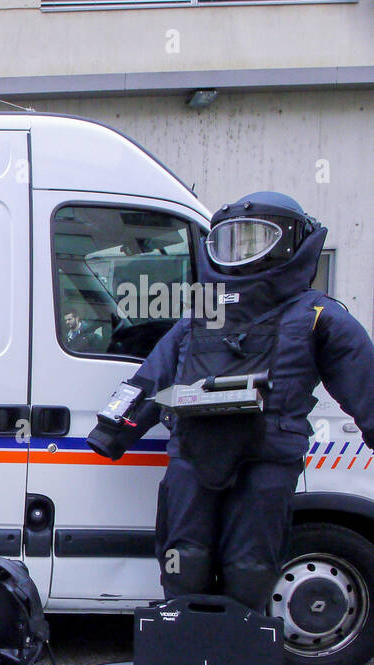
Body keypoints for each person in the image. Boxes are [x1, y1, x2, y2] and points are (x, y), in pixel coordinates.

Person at [86, 192, 374, 613]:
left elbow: (362, 380)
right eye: (231, 242)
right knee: (185, 565)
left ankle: (237, 663)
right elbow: (152, 376)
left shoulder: (316, 315)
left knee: (250, 570)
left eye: (257, 240)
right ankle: (184, 655)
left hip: (267, 463)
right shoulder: (203, 315)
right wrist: (112, 431)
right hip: (192, 457)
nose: (242, 253)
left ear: (293, 243)